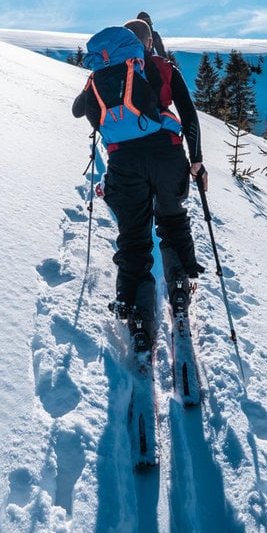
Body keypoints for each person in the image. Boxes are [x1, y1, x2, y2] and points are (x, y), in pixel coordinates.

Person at [72, 18, 207, 353]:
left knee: (134, 238)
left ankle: (135, 311)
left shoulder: (101, 75)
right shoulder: (162, 67)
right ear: (147, 42)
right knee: (172, 220)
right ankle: (178, 287)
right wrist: (197, 160)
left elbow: (78, 110)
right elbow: (189, 114)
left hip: (123, 162)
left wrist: (100, 86)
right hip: (167, 155)